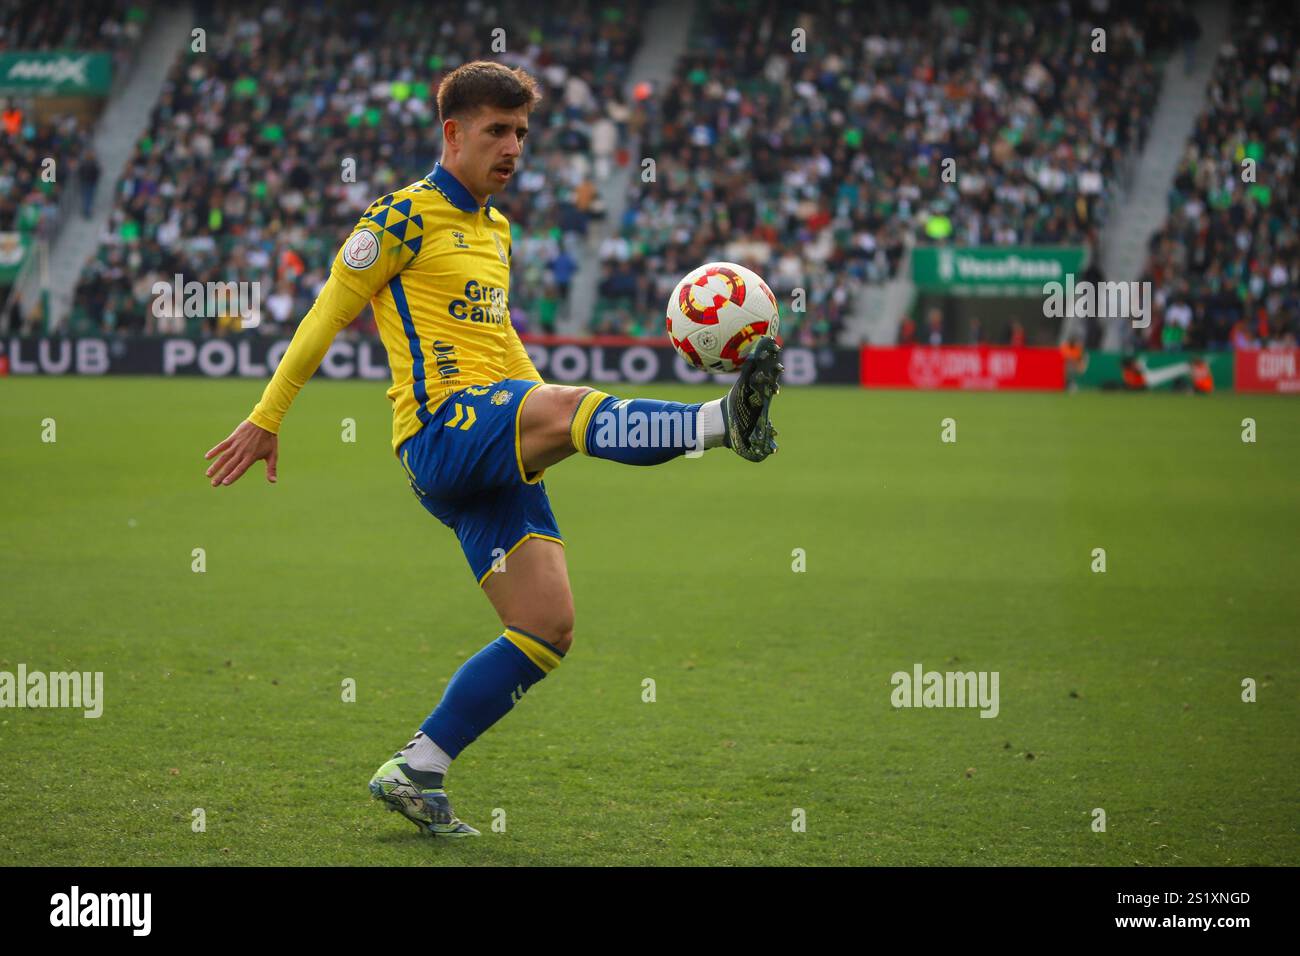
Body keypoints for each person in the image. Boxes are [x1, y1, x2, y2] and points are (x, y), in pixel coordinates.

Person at [200, 62, 783, 838]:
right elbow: (324, 315)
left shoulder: (496, 229)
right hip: (441, 430)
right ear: (453, 133)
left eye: (521, 134)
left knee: (547, 628)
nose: (513, 147)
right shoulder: (399, 218)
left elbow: (500, 343)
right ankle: (723, 423)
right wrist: (267, 416)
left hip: (492, 437)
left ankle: (418, 769)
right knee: (576, 405)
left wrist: (544, 420)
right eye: (497, 132)